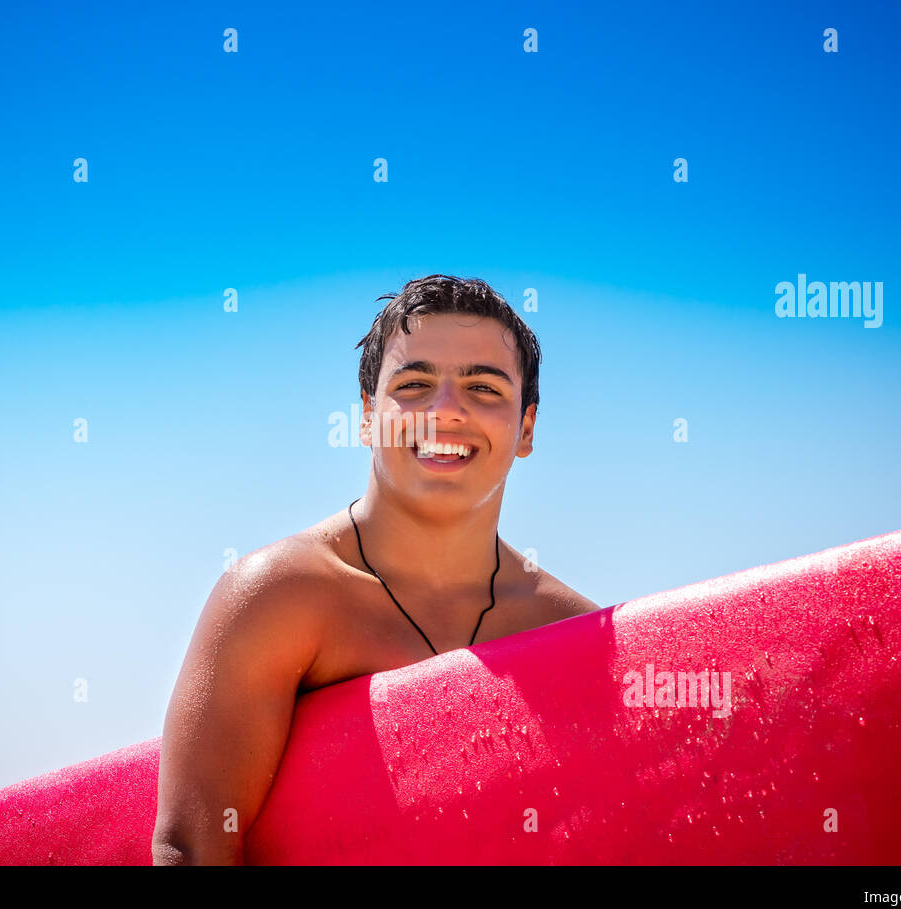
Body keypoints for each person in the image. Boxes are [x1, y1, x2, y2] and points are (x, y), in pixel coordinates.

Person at [151, 274, 601, 865]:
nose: (446, 411)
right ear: (368, 417)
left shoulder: (570, 632)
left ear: (526, 429)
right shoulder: (282, 597)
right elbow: (192, 846)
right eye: (414, 384)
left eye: (484, 388)